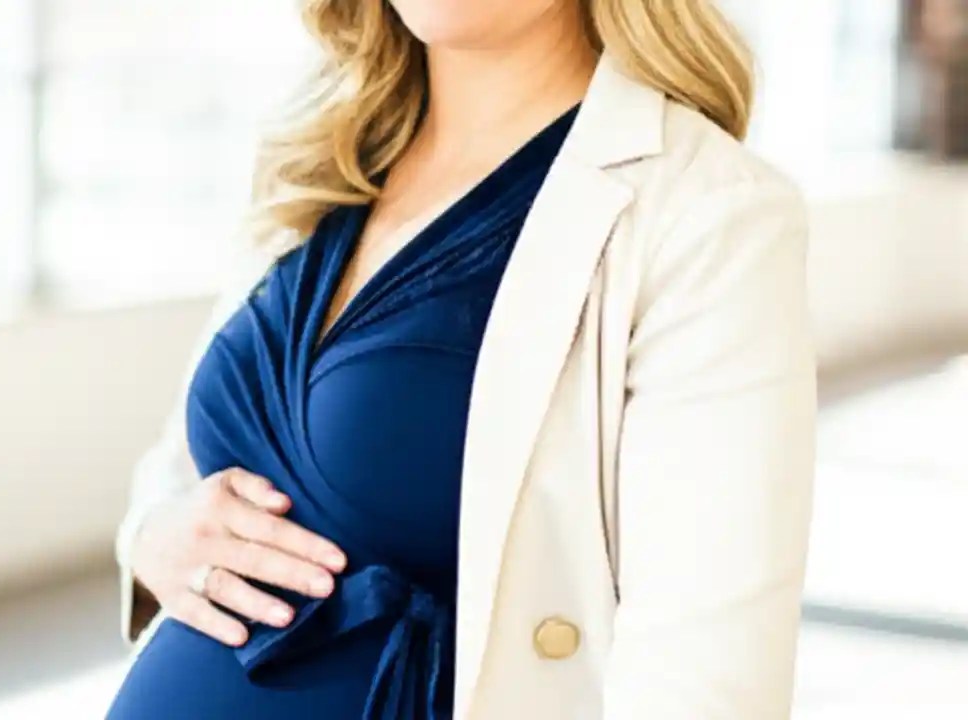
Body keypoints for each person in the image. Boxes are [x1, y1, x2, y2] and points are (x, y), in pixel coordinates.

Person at [106, 0, 817, 718]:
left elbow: (707, 683)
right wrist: (152, 539)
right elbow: (185, 467)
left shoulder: (710, 216)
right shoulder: (327, 163)